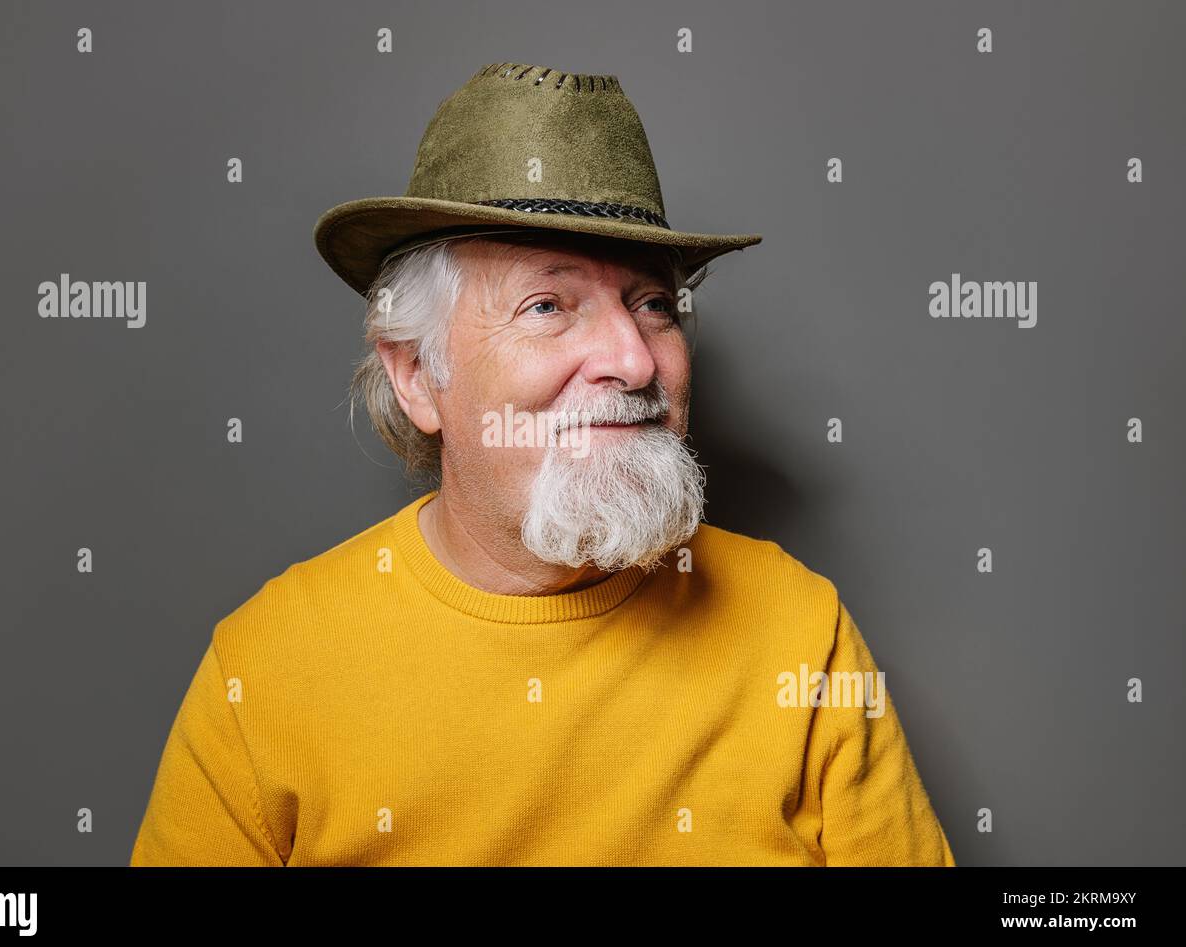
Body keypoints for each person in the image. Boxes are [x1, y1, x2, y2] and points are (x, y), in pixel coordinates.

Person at [130, 61, 955, 866]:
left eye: (654, 305)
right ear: (419, 376)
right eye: (548, 306)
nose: (633, 361)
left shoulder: (799, 632)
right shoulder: (266, 670)